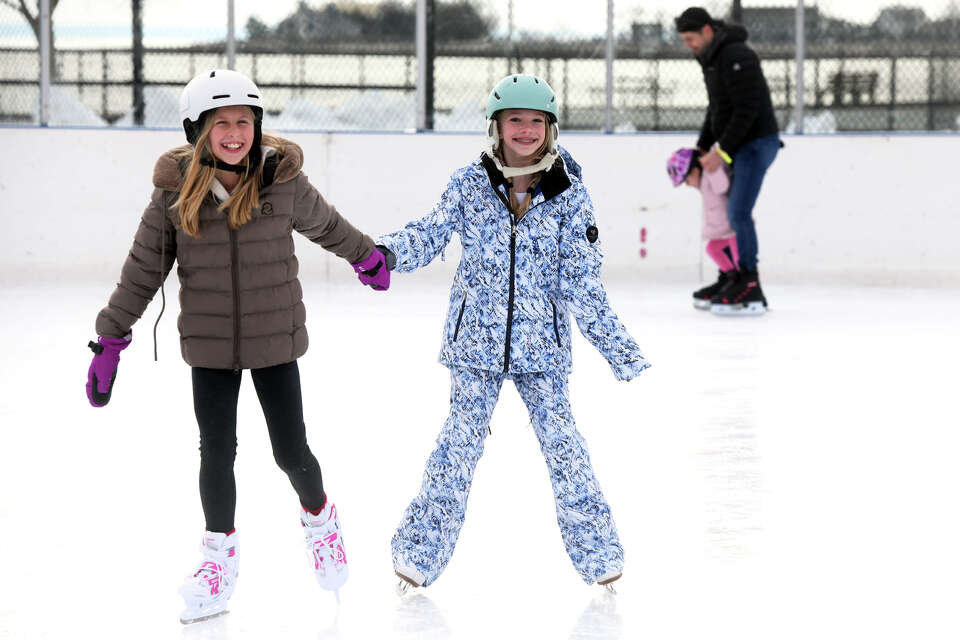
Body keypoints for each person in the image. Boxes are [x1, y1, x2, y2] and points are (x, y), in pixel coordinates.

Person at [84, 69, 390, 623]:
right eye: (221, 123)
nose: (234, 133)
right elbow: (140, 275)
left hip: (275, 339)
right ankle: (217, 559)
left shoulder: (283, 181)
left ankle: (320, 520)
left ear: (257, 127)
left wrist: (365, 256)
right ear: (198, 130)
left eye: (243, 122)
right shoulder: (174, 197)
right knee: (216, 451)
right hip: (209, 344)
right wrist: (111, 337)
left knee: (291, 451)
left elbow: (329, 225)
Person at [375, 74, 650, 592]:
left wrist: (619, 348)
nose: (526, 130)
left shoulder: (570, 194)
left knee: (564, 445)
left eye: (536, 121)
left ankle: (600, 556)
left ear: (551, 128)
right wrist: (387, 252)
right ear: (496, 126)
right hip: (474, 342)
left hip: (542, 348)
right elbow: (430, 233)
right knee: (458, 445)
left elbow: (582, 281)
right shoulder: (468, 183)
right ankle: (416, 555)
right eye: (515, 120)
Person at [676, 6, 781, 315]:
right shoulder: (710, 59)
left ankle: (750, 284)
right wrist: (700, 149)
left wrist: (721, 152)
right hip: (738, 146)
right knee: (726, 210)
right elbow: (717, 109)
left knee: (738, 212)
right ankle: (731, 276)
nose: (688, 45)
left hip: (757, 143)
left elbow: (747, 108)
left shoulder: (737, 55)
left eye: (691, 38)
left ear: (707, 31)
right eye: (684, 39)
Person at [667, 147, 739, 310]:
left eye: (686, 180)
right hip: (722, 232)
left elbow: (723, 186)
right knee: (712, 248)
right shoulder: (703, 184)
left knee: (737, 256)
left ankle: (740, 281)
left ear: (694, 170)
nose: (687, 185)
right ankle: (730, 277)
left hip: (732, 230)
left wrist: (711, 169)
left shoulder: (710, 175)